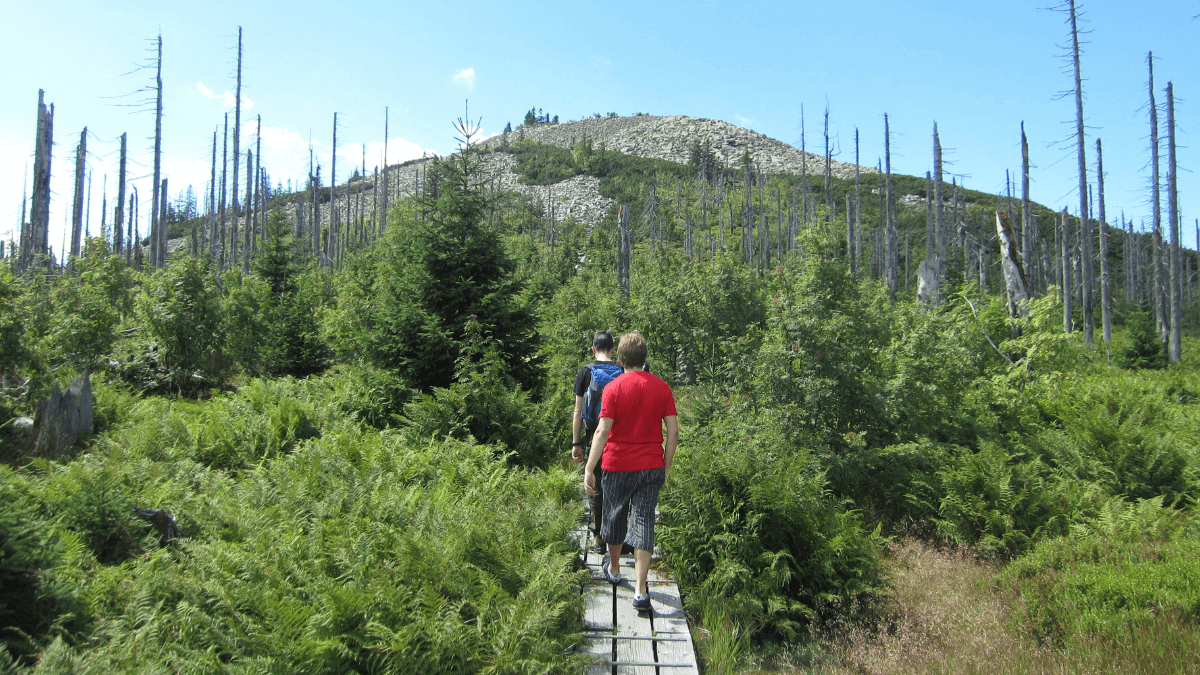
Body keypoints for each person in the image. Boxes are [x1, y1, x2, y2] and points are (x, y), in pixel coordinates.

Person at [584, 331, 679, 611]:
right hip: (650, 466)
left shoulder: (613, 388)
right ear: (644, 357)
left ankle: (614, 569)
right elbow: (673, 431)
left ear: (621, 358)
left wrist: (590, 469)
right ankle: (640, 590)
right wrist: (666, 464)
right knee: (644, 521)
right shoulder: (662, 388)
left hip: (617, 464)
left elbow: (602, 431)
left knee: (614, 516)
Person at [571, 330, 623, 552]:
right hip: (620, 437)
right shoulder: (623, 370)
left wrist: (576, 444)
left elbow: (577, 411)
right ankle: (620, 537)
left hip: (594, 437)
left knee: (596, 484)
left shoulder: (585, 373)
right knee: (620, 487)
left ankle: (599, 538)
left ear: (593, 349)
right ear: (613, 349)